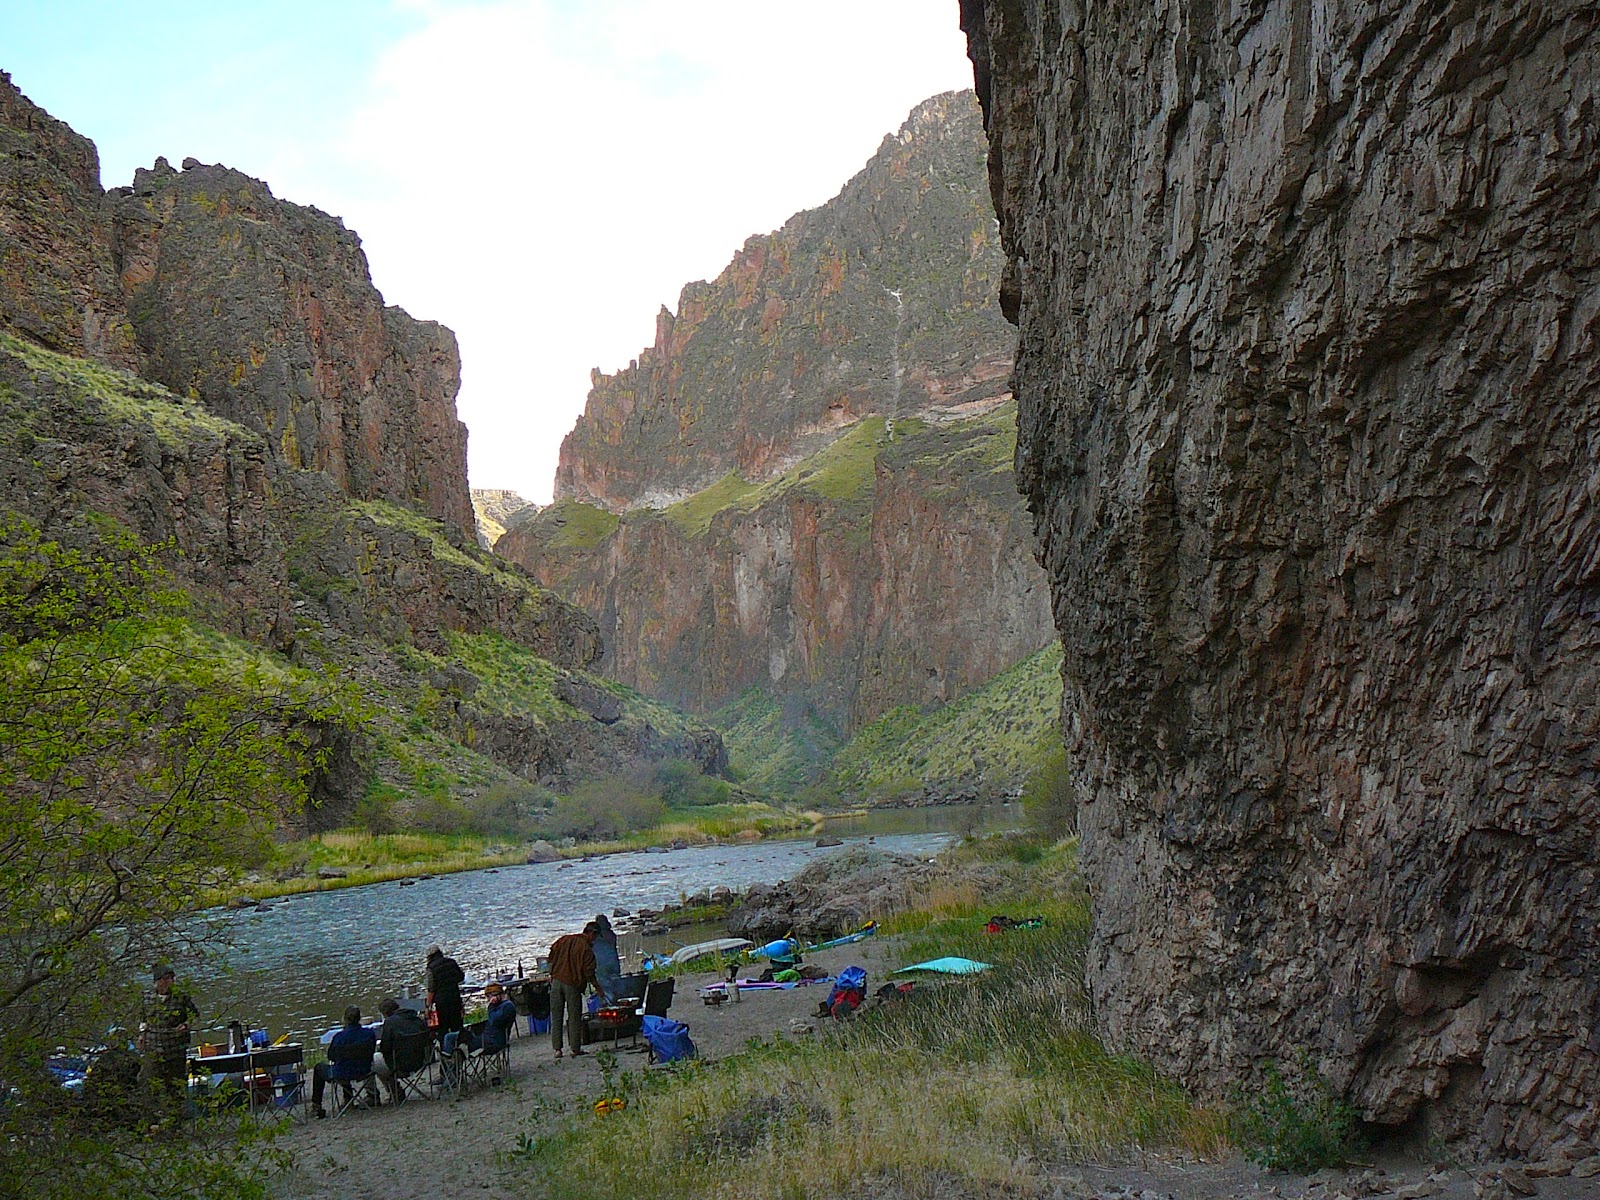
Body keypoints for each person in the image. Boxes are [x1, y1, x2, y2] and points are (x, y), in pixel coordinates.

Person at [139, 963, 198, 1116]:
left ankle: (176, 1116)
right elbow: (142, 1019)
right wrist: (141, 1035)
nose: (167, 982)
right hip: (153, 1047)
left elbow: (194, 1015)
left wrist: (186, 1024)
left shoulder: (182, 998)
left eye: (170, 978)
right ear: (157, 981)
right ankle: (152, 1116)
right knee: (150, 1082)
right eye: (164, 979)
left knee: (176, 1083)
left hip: (175, 1048)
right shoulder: (147, 998)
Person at [311, 1005, 377, 1119]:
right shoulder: (369, 1033)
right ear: (359, 1018)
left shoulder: (339, 1037)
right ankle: (349, 1099)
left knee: (320, 1067)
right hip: (364, 1070)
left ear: (345, 1019)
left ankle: (316, 1105)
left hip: (342, 1073)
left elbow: (331, 1056)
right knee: (348, 1064)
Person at [547, 926, 598, 1059]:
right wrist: (599, 989)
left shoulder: (564, 939)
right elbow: (589, 973)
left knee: (556, 1017)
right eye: (595, 937)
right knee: (574, 1017)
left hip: (556, 982)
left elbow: (551, 954)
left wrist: (552, 972)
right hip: (572, 984)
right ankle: (575, 1049)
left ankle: (557, 1050)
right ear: (592, 933)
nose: (595, 941)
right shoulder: (586, 948)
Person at [372, 997, 429, 1104]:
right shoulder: (416, 1019)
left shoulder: (390, 1023)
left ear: (385, 1014)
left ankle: (395, 1090)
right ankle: (395, 1091)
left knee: (375, 1060)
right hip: (420, 1061)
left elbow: (385, 1048)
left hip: (399, 1066)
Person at [425, 945, 466, 1039]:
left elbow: (431, 989)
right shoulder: (451, 962)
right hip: (455, 999)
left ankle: (446, 1051)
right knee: (457, 1027)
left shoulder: (431, 968)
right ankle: (460, 1048)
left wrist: (428, 1007)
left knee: (443, 1030)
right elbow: (461, 977)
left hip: (441, 1004)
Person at [591, 913, 623, 1003]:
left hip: (600, 966)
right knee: (616, 985)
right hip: (613, 964)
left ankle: (606, 1004)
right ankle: (617, 1002)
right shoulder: (611, 935)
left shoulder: (594, 937)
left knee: (603, 988)